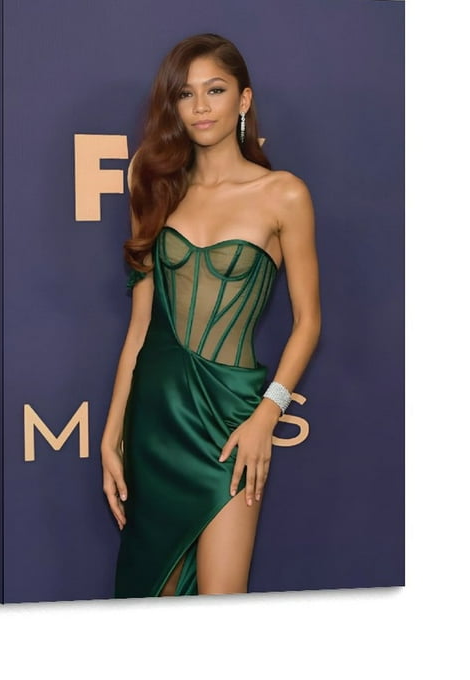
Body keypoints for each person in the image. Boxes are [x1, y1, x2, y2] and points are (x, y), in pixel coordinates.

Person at [100, 33, 321, 598]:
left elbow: (308, 322)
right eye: (186, 93)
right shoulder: (155, 188)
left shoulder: (283, 194)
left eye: (215, 90)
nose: (200, 106)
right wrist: (111, 431)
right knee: (154, 596)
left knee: (222, 600)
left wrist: (267, 415)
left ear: (243, 100)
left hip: (232, 419)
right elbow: (141, 327)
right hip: (155, 419)